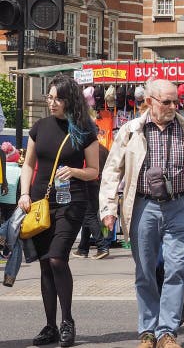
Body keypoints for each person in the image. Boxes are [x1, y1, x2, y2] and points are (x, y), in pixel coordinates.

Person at [99, 79, 184, 348]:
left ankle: (167, 332)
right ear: (149, 101)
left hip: (180, 206)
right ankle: (147, 332)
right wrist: (108, 208)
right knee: (145, 271)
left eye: (176, 102)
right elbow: (112, 171)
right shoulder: (130, 130)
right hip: (143, 206)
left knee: (177, 270)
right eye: (167, 102)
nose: (174, 106)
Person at [18, 74, 100, 347]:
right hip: (40, 203)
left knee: (56, 258)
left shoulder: (85, 130)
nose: (52, 103)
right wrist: (25, 193)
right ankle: (50, 326)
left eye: (58, 99)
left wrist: (75, 170)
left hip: (72, 201)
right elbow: (28, 165)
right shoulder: (39, 127)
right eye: (49, 98)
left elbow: (93, 171)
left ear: (70, 100)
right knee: (44, 263)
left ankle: (67, 321)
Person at [73, 141, 111, 260]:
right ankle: (83, 248)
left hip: (88, 183)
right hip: (99, 184)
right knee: (89, 216)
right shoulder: (103, 149)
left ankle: (102, 246)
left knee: (88, 215)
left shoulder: (88, 148)